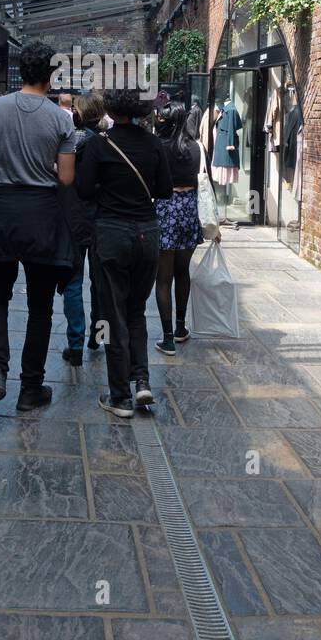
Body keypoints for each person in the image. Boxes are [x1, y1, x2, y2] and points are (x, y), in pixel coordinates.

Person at [0, 40, 76, 413]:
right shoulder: (62, 119)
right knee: (41, 305)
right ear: (51, 74)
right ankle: (31, 387)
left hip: (2, 209)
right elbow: (65, 177)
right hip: (42, 215)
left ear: (20, 71)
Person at [76, 89, 173, 418]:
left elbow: (84, 190)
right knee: (136, 311)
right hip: (148, 235)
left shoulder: (97, 145)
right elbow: (163, 191)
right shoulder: (154, 144)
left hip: (112, 234)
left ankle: (119, 397)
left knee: (112, 314)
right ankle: (142, 380)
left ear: (111, 110)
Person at [154, 102, 206, 354]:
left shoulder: (160, 147)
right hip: (190, 209)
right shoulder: (197, 147)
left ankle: (167, 339)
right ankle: (180, 327)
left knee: (163, 278)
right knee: (182, 271)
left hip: (166, 208)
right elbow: (205, 182)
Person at [61, 91, 106, 365]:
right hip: (101, 219)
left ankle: (75, 344)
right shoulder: (105, 143)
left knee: (73, 282)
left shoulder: (70, 141)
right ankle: (97, 337)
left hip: (73, 218)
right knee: (101, 283)